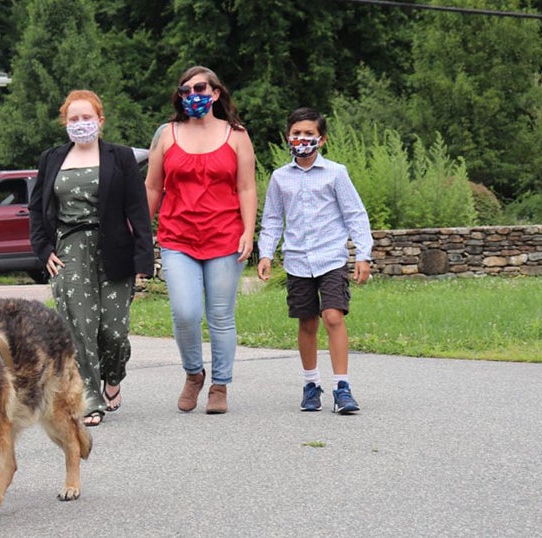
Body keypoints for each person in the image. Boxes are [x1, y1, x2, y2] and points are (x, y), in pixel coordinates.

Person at [29, 89, 154, 427]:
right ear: (65, 123)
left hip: (114, 248)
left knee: (113, 331)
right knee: (79, 329)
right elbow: (37, 209)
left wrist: (144, 259)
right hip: (69, 249)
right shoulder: (51, 158)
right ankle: (90, 399)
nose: (80, 124)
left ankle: (114, 375)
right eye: (74, 119)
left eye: (87, 118)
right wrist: (44, 251)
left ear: (100, 120)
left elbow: (138, 210)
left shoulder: (121, 157)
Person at [145, 66, 257, 415]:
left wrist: (248, 232)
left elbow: (246, 187)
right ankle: (194, 374)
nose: (193, 94)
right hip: (178, 236)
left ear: (216, 93)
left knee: (221, 315)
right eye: (185, 89)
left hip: (224, 236)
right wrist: (136, 231)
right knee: (185, 312)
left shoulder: (236, 135)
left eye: (200, 87)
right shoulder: (167, 134)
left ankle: (219, 385)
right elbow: (152, 186)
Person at [256, 107, 372, 415]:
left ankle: (342, 387)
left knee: (333, 316)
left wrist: (363, 254)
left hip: (330, 257)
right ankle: (311, 384)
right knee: (307, 322)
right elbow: (272, 219)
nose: (302, 139)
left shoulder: (336, 173)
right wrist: (266, 253)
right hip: (297, 260)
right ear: (288, 137)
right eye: (297, 133)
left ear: (321, 139)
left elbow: (355, 215)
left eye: (309, 134)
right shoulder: (280, 178)